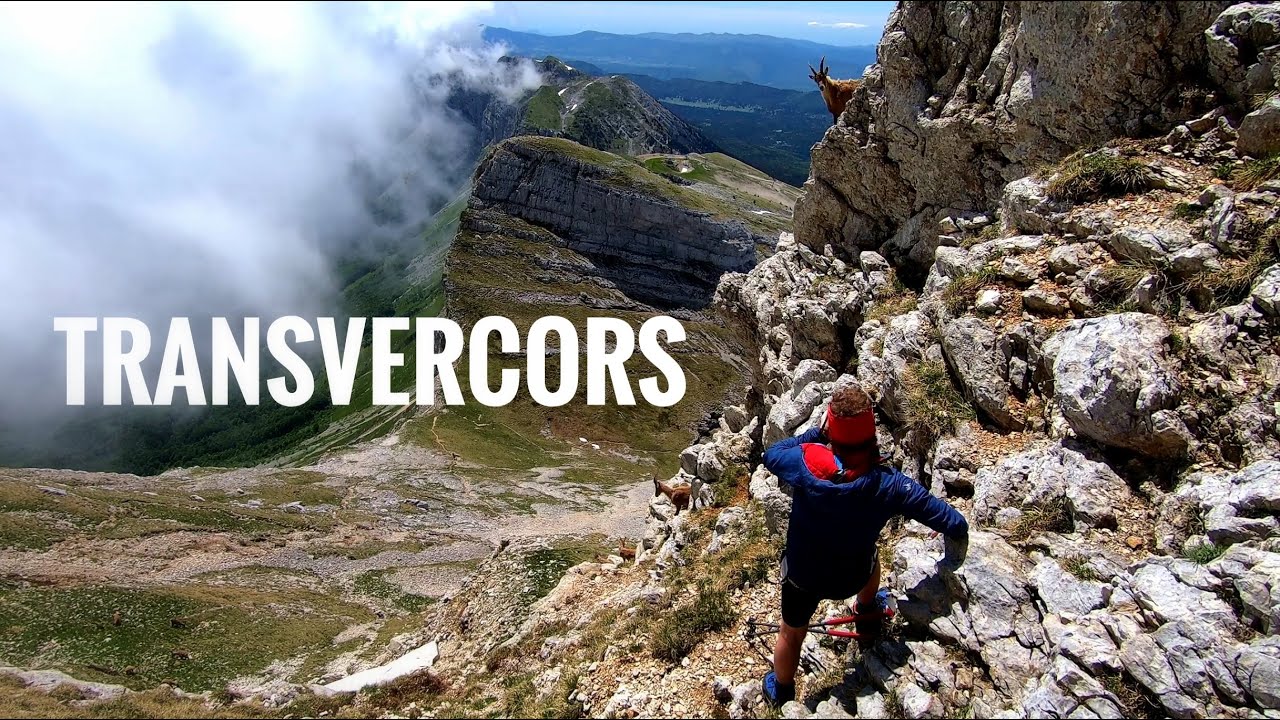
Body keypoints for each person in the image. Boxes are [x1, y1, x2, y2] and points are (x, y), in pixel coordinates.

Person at [760, 384, 970, 708]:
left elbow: (771, 455)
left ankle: (782, 691)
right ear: (870, 431)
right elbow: (950, 520)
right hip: (853, 574)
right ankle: (866, 610)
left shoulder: (805, 463)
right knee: (873, 556)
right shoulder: (889, 484)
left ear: (833, 428)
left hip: (803, 577)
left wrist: (815, 434)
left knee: (790, 633)